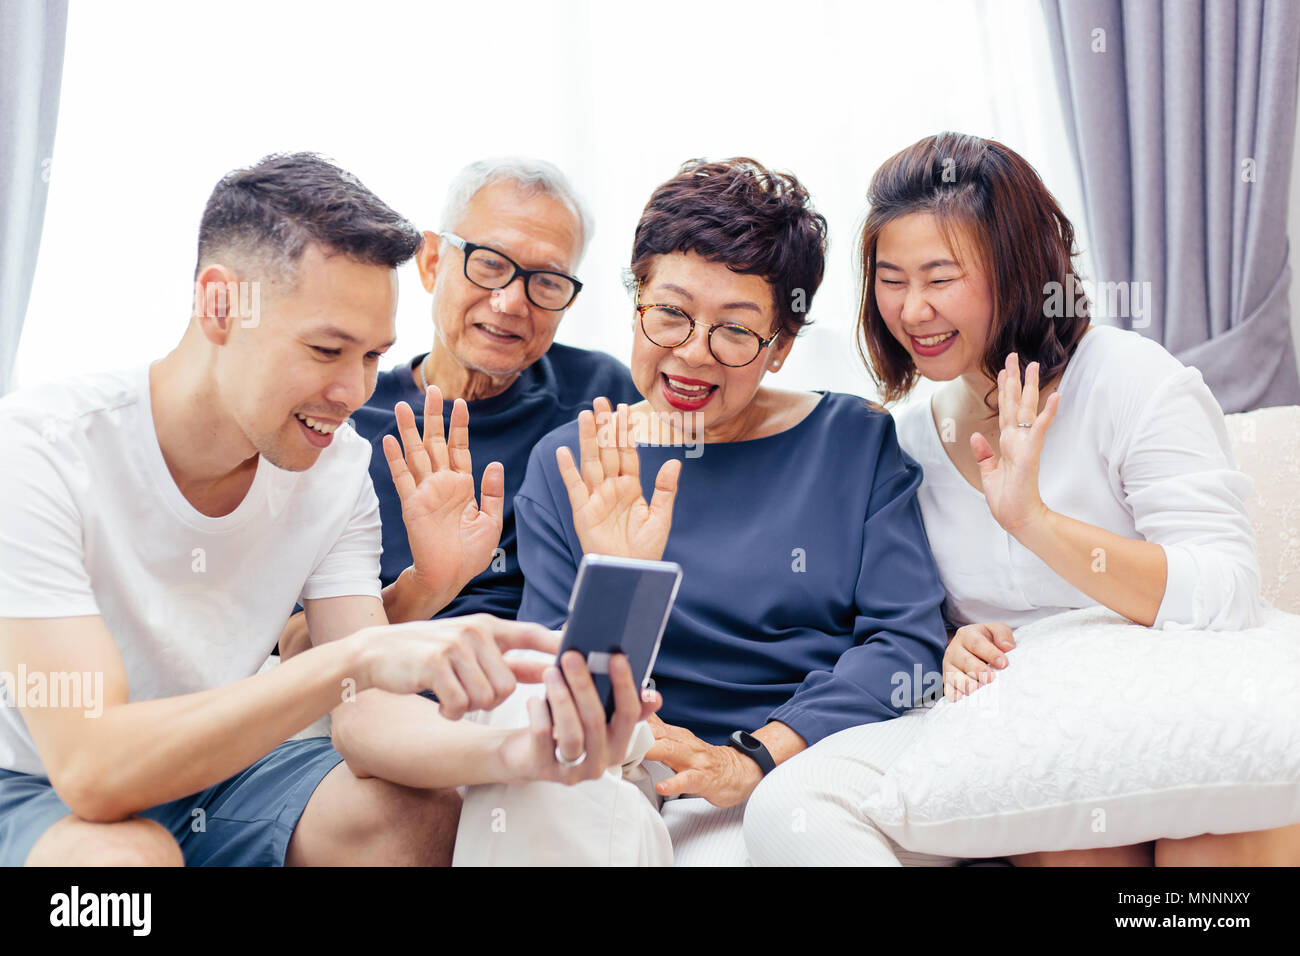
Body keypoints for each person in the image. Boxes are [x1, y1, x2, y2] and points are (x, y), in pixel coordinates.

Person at [0, 153, 654, 867]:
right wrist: (359, 656)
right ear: (221, 305)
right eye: (326, 349)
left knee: (408, 818)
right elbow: (92, 770)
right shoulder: (40, 450)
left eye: (373, 357)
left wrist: (521, 751)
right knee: (124, 866)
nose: (352, 392)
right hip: (38, 781)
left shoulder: (334, 466)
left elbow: (366, 710)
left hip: (224, 774)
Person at [744, 131, 1300, 866]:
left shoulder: (1128, 380)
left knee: (1214, 833)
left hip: (1186, 700)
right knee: (1065, 841)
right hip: (1041, 726)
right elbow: (902, 622)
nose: (911, 311)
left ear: (1016, 270)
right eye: (891, 278)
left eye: (941, 278)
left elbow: (1223, 589)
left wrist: (1034, 522)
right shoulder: (908, 439)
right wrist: (949, 643)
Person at [452, 158, 948, 866]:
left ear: (779, 348)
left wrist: (754, 755)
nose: (693, 354)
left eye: (736, 331)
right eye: (671, 314)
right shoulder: (573, 462)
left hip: (807, 764)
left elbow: (906, 644)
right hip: (640, 768)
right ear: (636, 306)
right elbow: (567, 696)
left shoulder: (852, 442)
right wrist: (621, 575)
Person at [277, 160, 640, 657]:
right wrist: (428, 585)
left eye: (548, 282)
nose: (511, 302)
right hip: (388, 696)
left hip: (541, 688)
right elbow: (292, 649)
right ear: (431, 263)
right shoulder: (343, 419)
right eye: (489, 262)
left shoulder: (600, 395)